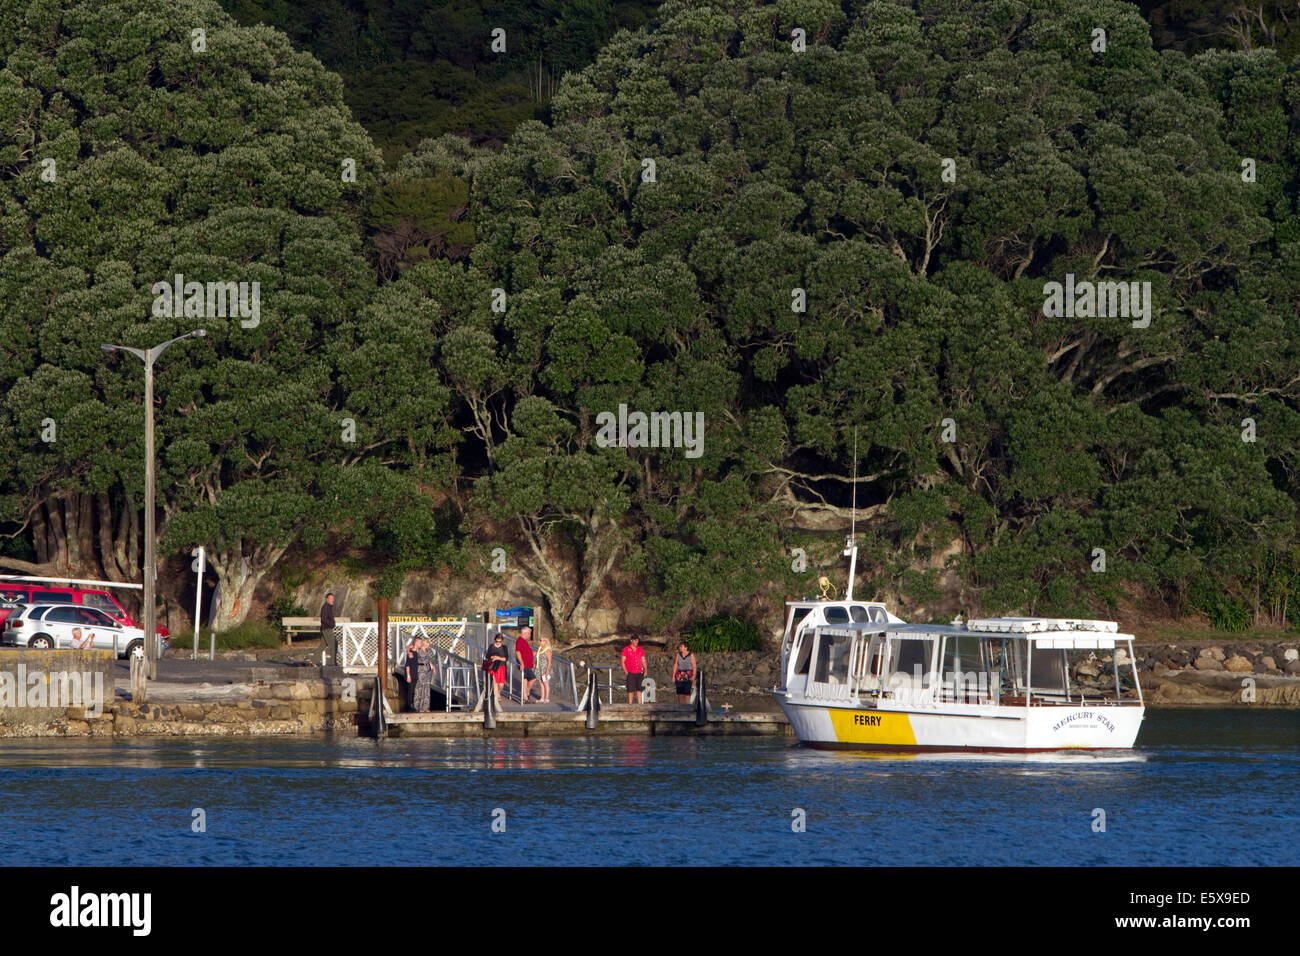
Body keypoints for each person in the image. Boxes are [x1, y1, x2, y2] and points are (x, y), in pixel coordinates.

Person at [410, 637, 436, 713]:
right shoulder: (419, 650)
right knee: (419, 688)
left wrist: (433, 667)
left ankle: (426, 707)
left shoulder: (428, 651)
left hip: (427, 670)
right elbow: (409, 648)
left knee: (427, 688)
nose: (429, 644)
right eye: (427, 642)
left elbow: (429, 660)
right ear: (424, 643)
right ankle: (418, 706)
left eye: (429, 642)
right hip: (420, 670)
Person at [621, 634, 647, 704]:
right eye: (635, 640)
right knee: (630, 690)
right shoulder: (626, 649)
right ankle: (630, 704)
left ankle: (640, 704)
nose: (636, 642)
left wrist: (645, 670)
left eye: (637, 640)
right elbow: (622, 662)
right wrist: (626, 672)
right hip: (631, 672)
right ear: (631, 640)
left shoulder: (640, 649)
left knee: (639, 689)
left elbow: (643, 660)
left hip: (639, 671)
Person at [485, 632, 509, 706]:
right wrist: (492, 657)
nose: (498, 643)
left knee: (501, 684)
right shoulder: (491, 646)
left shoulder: (504, 647)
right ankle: (496, 696)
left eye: (500, 641)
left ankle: (498, 692)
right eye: (497, 641)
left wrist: (498, 658)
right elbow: (487, 656)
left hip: (501, 666)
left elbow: (506, 658)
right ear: (495, 640)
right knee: (495, 682)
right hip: (493, 666)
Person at [515, 626, 536, 703]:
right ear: (525, 633)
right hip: (525, 664)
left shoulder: (524, 641)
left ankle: (525, 696)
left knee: (525, 680)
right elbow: (518, 652)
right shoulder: (520, 641)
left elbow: (526, 652)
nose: (530, 635)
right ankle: (526, 693)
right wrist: (521, 663)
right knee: (533, 678)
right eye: (529, 633)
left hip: (528, 664)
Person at [402, 636, 421, 711]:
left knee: (413, 691)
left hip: (415, 673)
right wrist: (408, 676)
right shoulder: (411, 653)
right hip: (411, 674)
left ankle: (412, 705)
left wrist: (408, 650)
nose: (421, 644)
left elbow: (407, 646)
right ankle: (409, 706)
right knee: (410, 690)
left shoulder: (416, 651)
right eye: (420, 643)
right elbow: (407, 665)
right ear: (416, 643)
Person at [320, 592, 338, 663]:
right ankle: (333, 662)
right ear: (326, 599)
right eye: (331, 598)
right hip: (326, 628)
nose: (332, 600)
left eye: (333, 599)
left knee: (323, 645)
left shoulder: (329, 607)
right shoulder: (325, 607)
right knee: (334, 643)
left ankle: (313, 660)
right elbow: (323, 619)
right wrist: (331, 624)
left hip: (327, 628)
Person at [536, 635, 552, 703]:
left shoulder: (547, 650)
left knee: (546, 683)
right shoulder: (539, 649)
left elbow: (549, 661)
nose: (540, 642)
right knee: (541, 683)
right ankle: (542, 698)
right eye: (540, 640)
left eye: (542, 640)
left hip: (544, 668)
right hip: (539, 667)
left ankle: (547, 698)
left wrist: (547, 671)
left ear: (545, 642)